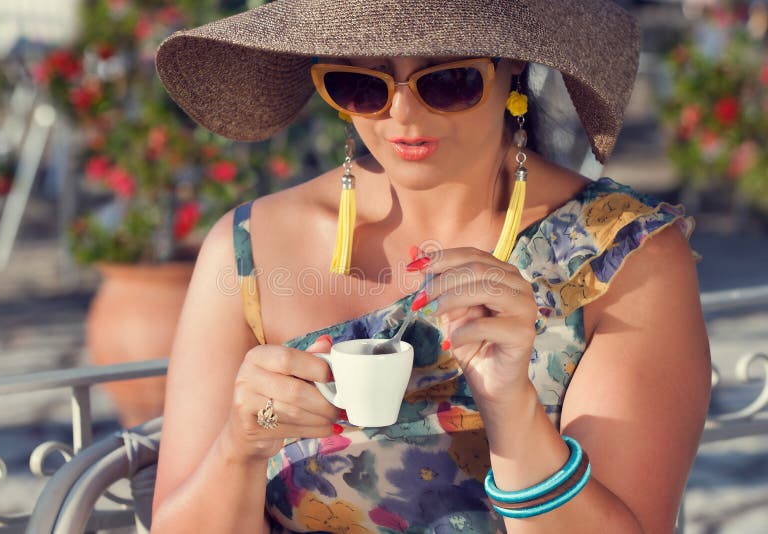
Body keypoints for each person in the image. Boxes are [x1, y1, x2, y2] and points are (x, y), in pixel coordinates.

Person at [150, 1, 711, 532]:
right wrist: (240, 447)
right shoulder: (247, 247)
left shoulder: (623, 255)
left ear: (512, 65)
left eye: (447, 80)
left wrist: (511, 408)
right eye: (362, 84)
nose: (403, 113)